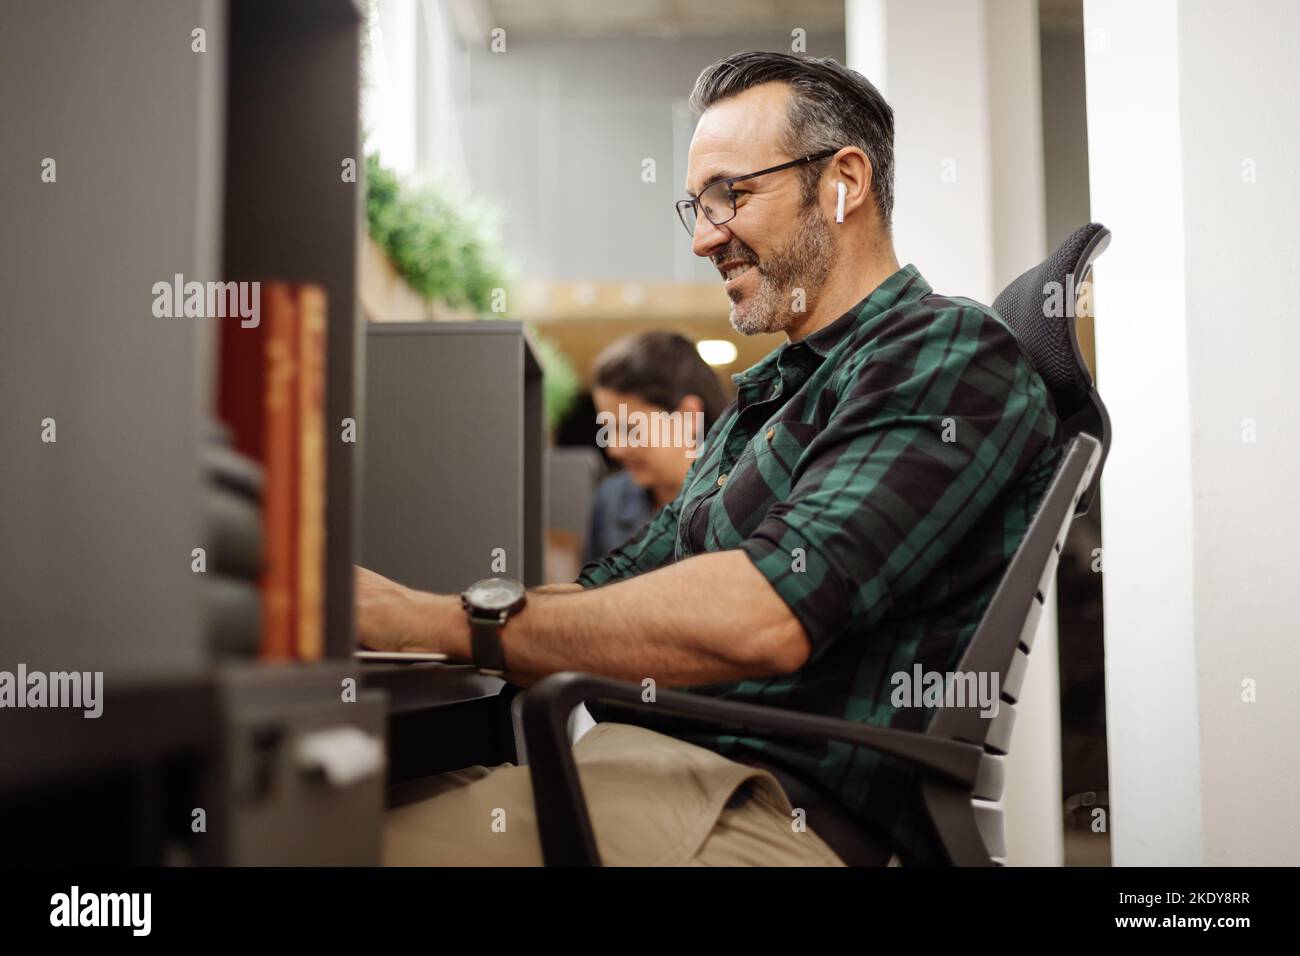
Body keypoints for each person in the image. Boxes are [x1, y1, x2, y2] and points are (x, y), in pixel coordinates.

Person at [359, 51, 1061, 866]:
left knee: (298, 842)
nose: (702, 238)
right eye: (695, 205)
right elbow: (610, 589)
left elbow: (769, 611)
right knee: (329, 801)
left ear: (843, 182)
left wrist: (433, 622)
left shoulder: (944, 351)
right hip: (655, 776)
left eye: (731, 194)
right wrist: (411, 614)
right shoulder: (766, 403)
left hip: (761, 808)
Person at [585, 331, 728, 563]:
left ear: (688, 416)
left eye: (630, 429)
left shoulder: (742, 501)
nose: (614, 448)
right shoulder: (609, 501)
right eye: (608, 429)